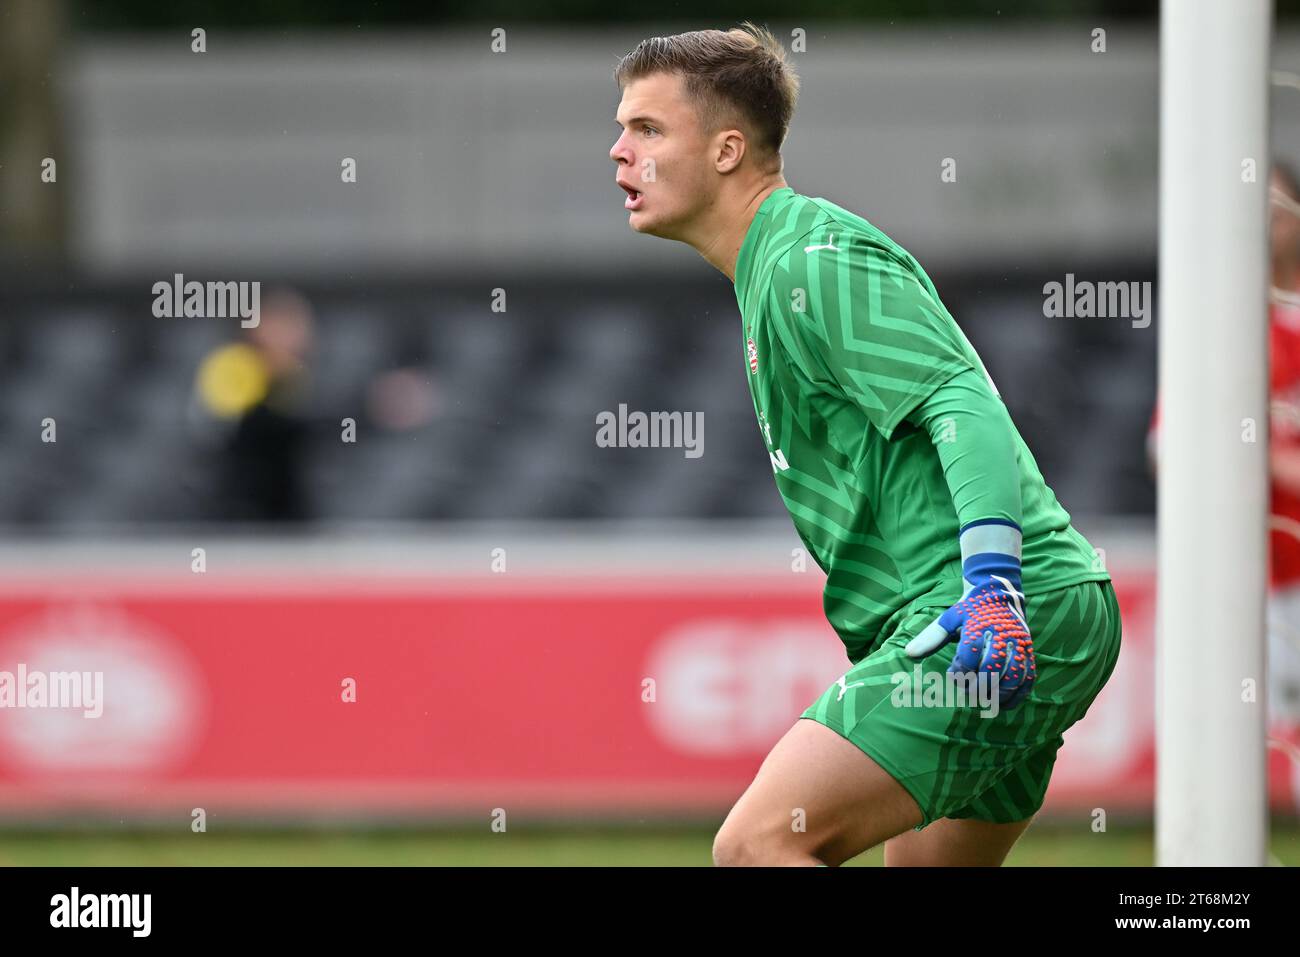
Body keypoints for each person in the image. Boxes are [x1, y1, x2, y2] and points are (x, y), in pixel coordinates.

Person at [610, 24, 1120, 866]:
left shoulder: (812, 258)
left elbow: (964, 401)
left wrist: (994, 584)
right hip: (981, 620)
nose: (619, 152)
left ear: (729, 149)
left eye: (648, 130)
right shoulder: (772, 270)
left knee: (757, 844)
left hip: (985, 611)